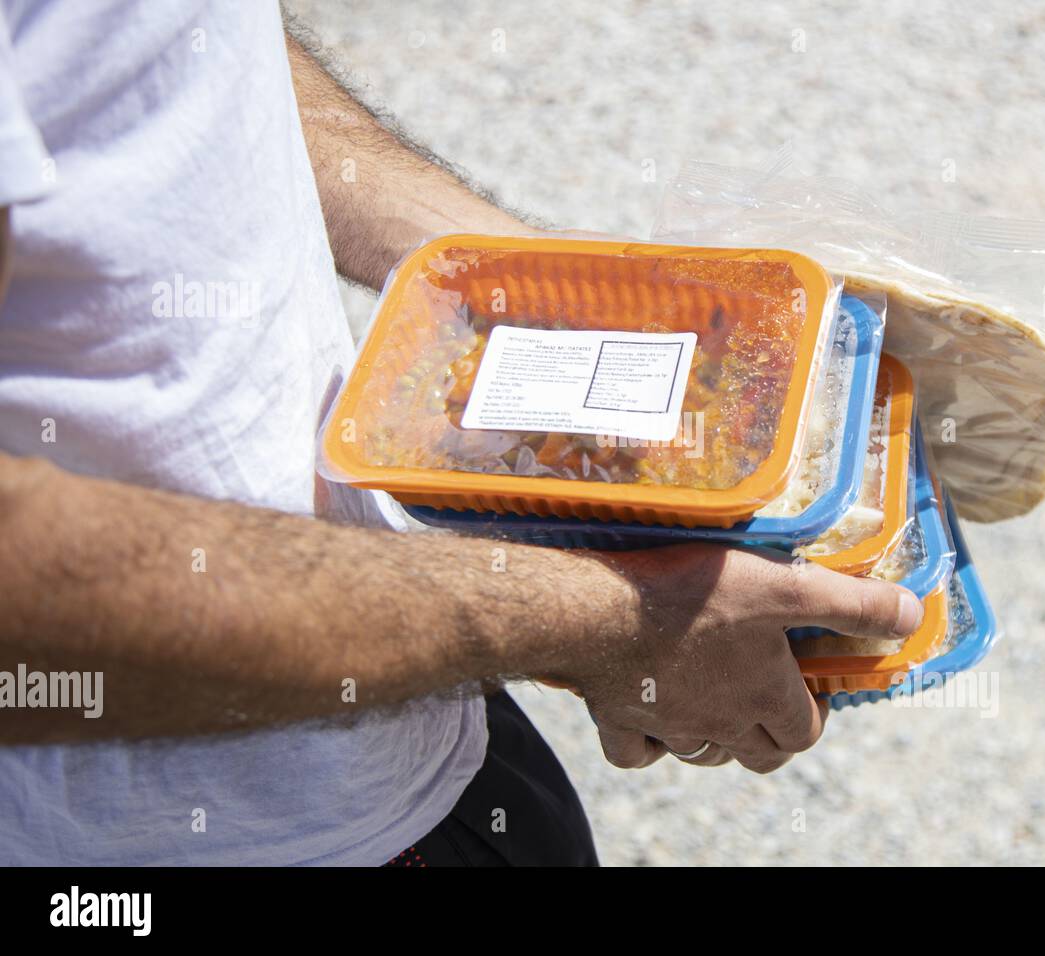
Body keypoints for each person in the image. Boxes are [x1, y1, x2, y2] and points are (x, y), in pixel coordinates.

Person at [0, 1, 924, 866]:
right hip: (205, 836)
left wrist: (543, 293)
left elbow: (180, 56)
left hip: (413, 701)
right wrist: (619, 618)